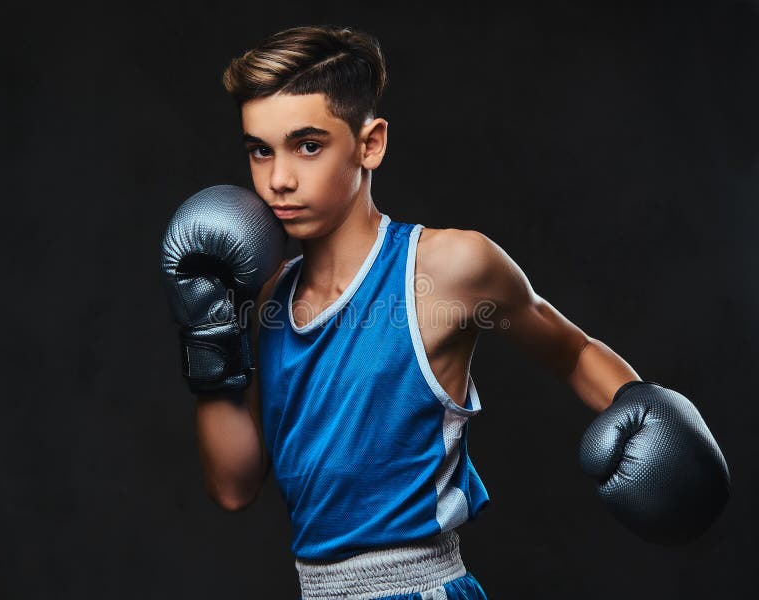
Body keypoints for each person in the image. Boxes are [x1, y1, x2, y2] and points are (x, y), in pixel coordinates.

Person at [161, 24, 730, 599]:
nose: (279, 179)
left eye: (308, 145)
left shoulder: (446, 268)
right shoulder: (265, 298)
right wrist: (206, 331)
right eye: (261, 150)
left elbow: (574, 351)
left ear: (370, 143)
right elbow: (234, 488)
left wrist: (643, 411)